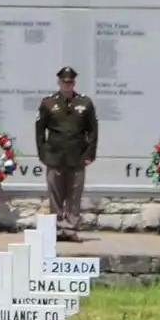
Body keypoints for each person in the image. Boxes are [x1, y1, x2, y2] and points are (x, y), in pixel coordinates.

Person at [36, 66, 98, 240]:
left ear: (74, 82)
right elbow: (40, 131)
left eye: (70, 82)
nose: (67, 84)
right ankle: (55, 229)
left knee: (74, 195)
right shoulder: (48, 103)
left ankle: (71, 228)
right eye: (64, 81)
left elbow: (93, 131)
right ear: (59, 82)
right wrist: (43, 154)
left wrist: (89, 155)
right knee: (55, 195)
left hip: (77, 157)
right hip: (55, 156)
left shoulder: (85, 103)